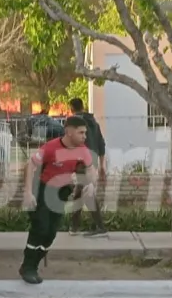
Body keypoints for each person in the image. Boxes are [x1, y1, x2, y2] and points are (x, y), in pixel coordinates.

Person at [20, 116, 94, 284]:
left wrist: (91, 184)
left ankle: (32, 265)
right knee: (41, 228)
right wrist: (28, 192)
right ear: (68, 132)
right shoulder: (51, 147)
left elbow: (90, 168)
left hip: (61, 192)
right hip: (44, 190)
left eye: (85, 133)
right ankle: (28, 267)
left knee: (51, 233)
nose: (84, 136)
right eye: (81, 132)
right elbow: (30, 166)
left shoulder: (82, 150)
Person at [67, 97, 108, 237]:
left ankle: (98, 226)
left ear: (72, 108)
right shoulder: (94, 123)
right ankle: (74, 226)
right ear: (82, 106)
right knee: (80, 192)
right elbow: (102, 145)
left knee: (85, 193)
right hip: (93, 162)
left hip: (81, 163)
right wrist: (102, 166)